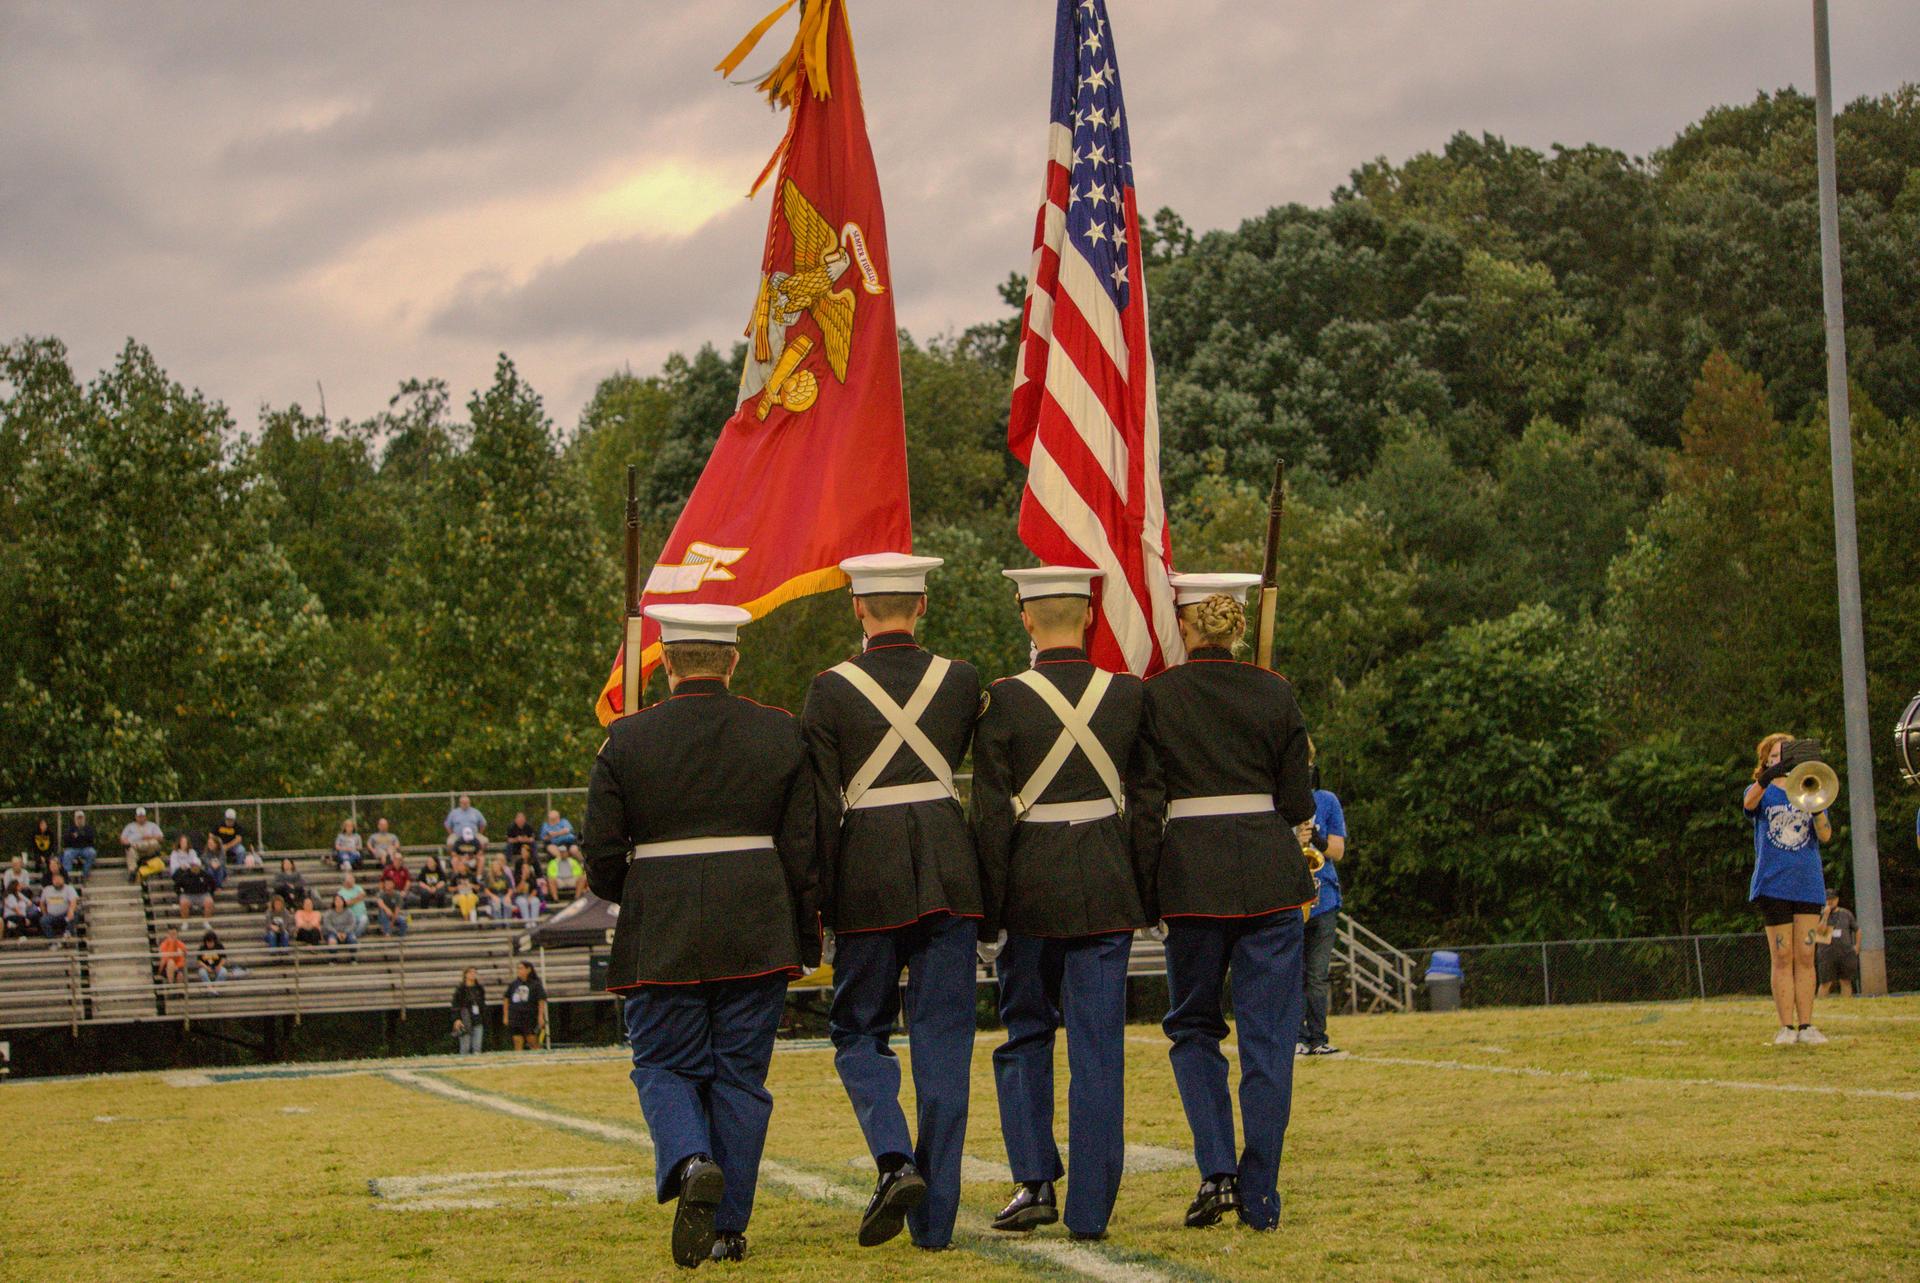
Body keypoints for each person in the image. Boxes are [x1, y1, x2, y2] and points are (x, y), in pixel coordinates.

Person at [582, 602, 821, 1268]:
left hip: (662, 923)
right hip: (756, 921)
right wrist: (804, 936)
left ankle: (690, 1160)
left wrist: (643, 893)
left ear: (665, 662)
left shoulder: (626, 740)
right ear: (732, 658)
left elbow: (600, 854)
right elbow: (804, 849)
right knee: (740, 1078)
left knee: (662, 1063)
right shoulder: (780, 734)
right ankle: (727, 1227)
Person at [800, 553, 981, 1251]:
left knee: (856, 1032)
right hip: (948, 867)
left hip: (866, 873)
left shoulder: (828, 690)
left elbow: (820, 809)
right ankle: (934, 1223)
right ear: (923, 604)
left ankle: (894, 1156)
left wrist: (813, 901)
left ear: (858, 608)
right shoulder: (961, 681)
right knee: (944, 1045)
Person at [971, 567, 1151, 1242]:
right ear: (1090, 616)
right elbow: (1149, 803)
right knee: (1099, 1048)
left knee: (1025, 1035)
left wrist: (987, 912)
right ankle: (1092, 1207)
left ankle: (1034, 1179)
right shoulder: (1128, 695)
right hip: (1107, 884)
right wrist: (1146, 889)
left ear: (1026, 619)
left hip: (1030, 888)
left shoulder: (1003, 701)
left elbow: (989, 817)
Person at [1137, 573, 1319, 1231]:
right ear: (1237, 625)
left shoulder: (1156, 695)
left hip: (1191, 876)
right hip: (1270, 874)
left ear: (1185, 624)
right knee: (1268, 1041)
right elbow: (1298, 801)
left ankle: (1216, 1172)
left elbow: (1149, 797)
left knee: (1193, 1027)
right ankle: (1261, 1193)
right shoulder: (1275, 691)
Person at [1743, 732, 1833, 1046]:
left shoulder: (1810, 787)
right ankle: (1786, 1028)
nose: (1781, 760)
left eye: (1786, 754)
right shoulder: (1763, 792)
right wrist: (1767, 779)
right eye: (1774, 756)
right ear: (1765, 761)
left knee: (1805, 956)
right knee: (1782, 956)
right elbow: (1747, 802)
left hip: (1807, 884)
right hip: (1773, 883)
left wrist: (1818, 806)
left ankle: (1807, 1025)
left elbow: (1825, 836)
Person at [1297, 742, 1348, 1057]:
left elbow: (1338, 851)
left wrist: (1316, 839)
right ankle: (1298, 1038)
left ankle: (1318, 1038)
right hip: (1292, 899)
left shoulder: (1327, 802)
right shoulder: (1279, 803)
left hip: (1324, 897)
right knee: (1295, 973)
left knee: (1317, 974)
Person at [1816, 888, 1860, 998]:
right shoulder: (1819, 915)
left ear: (1837, 900)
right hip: (1826, 954)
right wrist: (1825, 916)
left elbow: (1857, 930)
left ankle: (1846, 1004)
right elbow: (1819, 932)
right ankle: (1822, 1005)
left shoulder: (1846, 914)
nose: (1830, 902)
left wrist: (1857, 946)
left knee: (1845, 981)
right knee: (1825, 982)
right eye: (1827, 899)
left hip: (1845, 953)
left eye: (1832, 899)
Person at [503, 959, 547, 1050]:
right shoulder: (514, 984)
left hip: (529, 1015)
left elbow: (541, 1000)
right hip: (515, 1015)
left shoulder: (535, 984)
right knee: (517, 1039)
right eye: (518, 968)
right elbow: (506, 999)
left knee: (531, 1038)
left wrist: (540, 1016)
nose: (519, 971)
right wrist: (506, 1015)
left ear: (528, 970)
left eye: (521, 968)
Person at [120, 806, 165, 877]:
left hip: (150, 848)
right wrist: (126, 842)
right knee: (130, 850)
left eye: (142, 816)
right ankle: (133, 872)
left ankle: (136, 846)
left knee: (154, 842)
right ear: (136, 817)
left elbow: (161, 838)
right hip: (137, 851)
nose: (141, 818)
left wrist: (149, 837)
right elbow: (122, 839)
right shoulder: (129, 827)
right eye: (139, 816)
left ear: (145, 816)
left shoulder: (152, 825)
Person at [452, 968, 487, 1055]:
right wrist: (457, 1019)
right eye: (470, 972)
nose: (473, 974)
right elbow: (456, 1005)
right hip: (465, 1019)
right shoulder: (460, 989)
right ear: (465, 974)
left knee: (477, 1047)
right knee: (465, 1047)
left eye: (475, 972)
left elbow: (482, 1004)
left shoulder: (479, 988)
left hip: (477, 1018)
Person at [38, 873, 79, 939]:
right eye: (55, 880)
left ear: (63, 880)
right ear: (52, 881)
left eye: (59, 880)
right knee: (43, 920)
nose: (57, 882)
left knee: (75, 912)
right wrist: (44, 913)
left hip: (65, 915)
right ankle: (51, 940)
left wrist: (71, 911)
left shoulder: (69, 888)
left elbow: (73, 901)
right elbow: (42, 903)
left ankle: (67, 933)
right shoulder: (47, 889)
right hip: (51, 916)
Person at [173, 857, 215, 924]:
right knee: (183, 903)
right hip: (188, 894)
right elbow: (176, 885)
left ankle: (206, 922)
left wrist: (210, 893)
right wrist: (180, 894)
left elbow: (212, 884)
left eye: (196, 865)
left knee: (209, 902)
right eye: (192, 865)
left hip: (203, 894)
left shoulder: (205, 874)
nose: (194, 867)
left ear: (199, 866)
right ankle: (185, 922)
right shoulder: (184, 875)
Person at [61, 811, 97, 880]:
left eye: (81, 818)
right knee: (67, 854)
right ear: (75, 819)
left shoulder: (88, 828)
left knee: (92, 853)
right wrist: (74, 837)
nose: (80, 820)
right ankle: (68, 877)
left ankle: (84, 875)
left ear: (84, 819)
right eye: (78, 818)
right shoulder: (71, 829)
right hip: (73, 849)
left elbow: (91, 839)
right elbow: (66, 840)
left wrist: (79, 836)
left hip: (85, 849)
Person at [481, 856, 514, 921]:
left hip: (504, 895)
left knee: (507, 903)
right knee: (496, 903)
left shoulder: (505, 876)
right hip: (493, 896)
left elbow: (510, 889)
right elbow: (486, 890)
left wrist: (508, 896)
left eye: (496, 866)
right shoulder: (489, 876)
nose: (495, 868)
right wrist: (493, 896)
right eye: (494, 866)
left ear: (500, 867)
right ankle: (498, 924)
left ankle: (507, 923)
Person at [337, 870, 369, 935]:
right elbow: (346, 904)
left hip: (361, 915)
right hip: (350, 917)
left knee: (364, 919)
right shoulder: (341, 893)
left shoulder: (357, 887)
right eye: (351, 879)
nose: (353, 880)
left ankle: (354, 935)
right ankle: (352, 936)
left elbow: (363, 895)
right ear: (345, 881)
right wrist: (357, 898)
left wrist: (352, 900)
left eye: (353, 878)